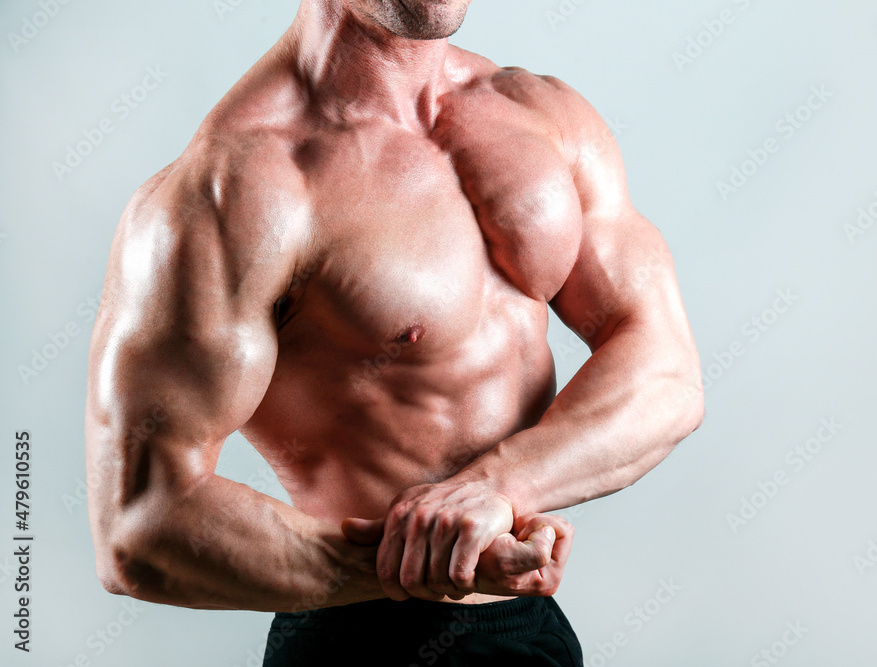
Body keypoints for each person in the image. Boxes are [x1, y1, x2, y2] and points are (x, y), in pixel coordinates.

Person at [84, 1, 704, 664]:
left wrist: (502, 486)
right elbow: (140, 523)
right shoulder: (233, 189)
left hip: (532, 626)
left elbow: (667, 371)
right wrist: (405, 564)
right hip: (363, 640)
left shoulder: (546, 116)